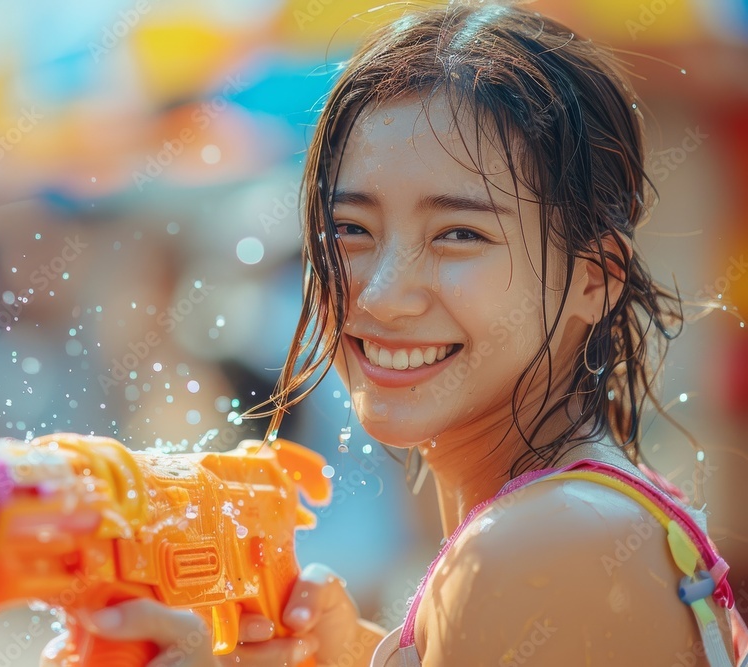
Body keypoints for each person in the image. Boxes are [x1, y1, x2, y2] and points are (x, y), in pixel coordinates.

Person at [73, 2, 748, 665]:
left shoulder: (532, 547)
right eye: (351, 229)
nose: (385, 294)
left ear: (594, 278)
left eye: (459, 234)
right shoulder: (581, 515)